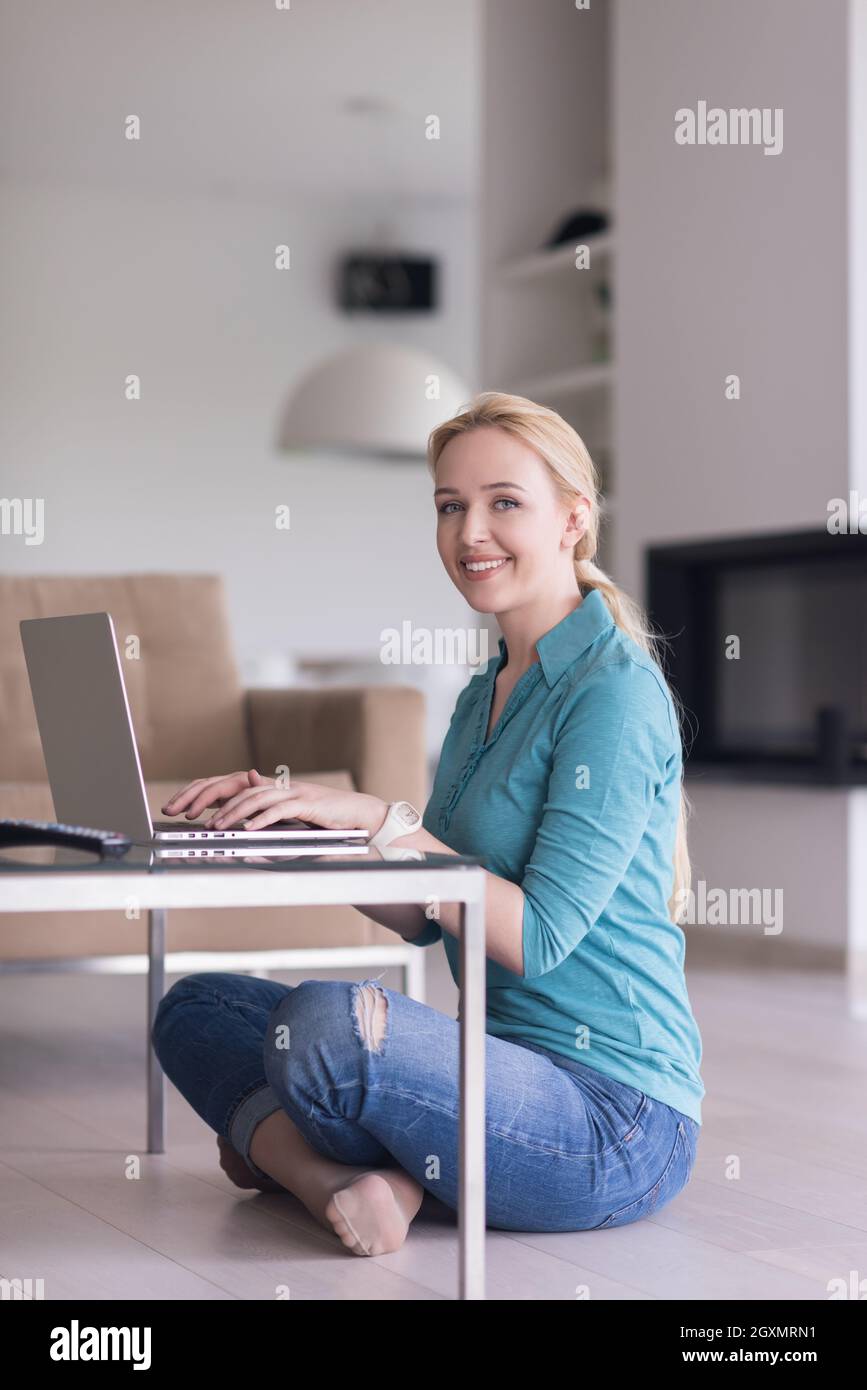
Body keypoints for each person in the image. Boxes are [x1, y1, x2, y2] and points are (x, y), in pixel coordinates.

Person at [151, 391, 703, 1257]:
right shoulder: (485, 690)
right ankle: (348, 1180)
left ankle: (316, 1155)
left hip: (613, 1118)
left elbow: (537, 936)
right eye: (450, 507)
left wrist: (378, 816)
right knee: (197, 1006)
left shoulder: (612, 691)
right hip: (486, 1067)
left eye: (502, 503)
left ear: (573, 519)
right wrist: (291, 833)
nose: (469, 531)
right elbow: (424, 913)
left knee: (328, 1027)